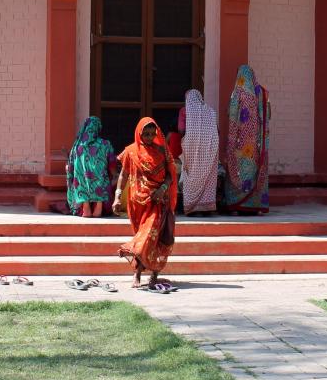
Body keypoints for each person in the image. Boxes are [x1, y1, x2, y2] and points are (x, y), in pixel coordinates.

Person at [114, 117, 178, 290]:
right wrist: (117, 196)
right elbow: (123, 175)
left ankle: (153, 275)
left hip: (158, 201)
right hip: (137, 203)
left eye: (152, 134)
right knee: (144, 236)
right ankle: (138, 273)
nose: (149, 137)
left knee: (152, 236)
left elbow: (170, 175)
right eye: (146, 134)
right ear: (139, 133)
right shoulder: (130, 152)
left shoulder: (162, 151)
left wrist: (162, 188)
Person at [223, 64, 270, 213]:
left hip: (239, 143)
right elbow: (268, 115)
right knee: (252, 171)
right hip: (256, 144)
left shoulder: (238, 93)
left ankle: (238, 203)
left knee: (238, 172)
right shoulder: (261, 93)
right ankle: (253, 205)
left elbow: (232, 115)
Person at [65, 116, 118, 217]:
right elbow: (112, 165)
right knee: (101, 175)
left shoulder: (77, 146)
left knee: (80, 176)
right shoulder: (105, 144)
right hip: (100, 183)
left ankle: (86, 206)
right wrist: (115, 175)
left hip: (81, 184)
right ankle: (99, 206)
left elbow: (70, 167)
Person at [180, 88, 219, 215]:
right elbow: (217, 131)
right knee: (208, 176)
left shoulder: (185, 111)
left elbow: (181, 130)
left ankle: (193, 207)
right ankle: (206, 207)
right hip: (210, 148)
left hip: (191, 147)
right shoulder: (211, 111)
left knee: (191, 175)